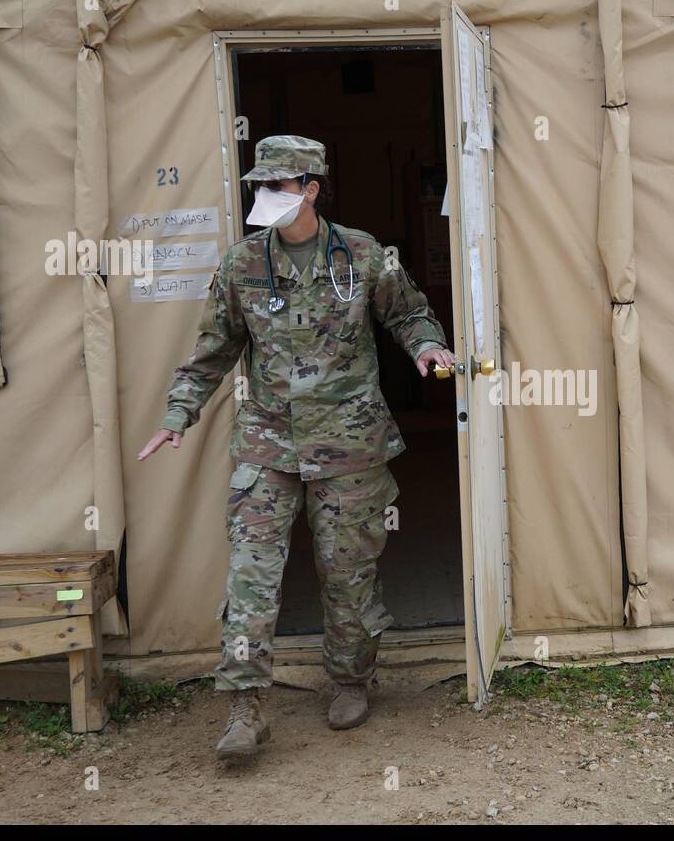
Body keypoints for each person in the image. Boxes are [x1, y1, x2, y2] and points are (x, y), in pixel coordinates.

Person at [137, 135, 455, 758]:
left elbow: (410, 314)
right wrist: (179, 413)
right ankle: (245, 708)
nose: (265, 197)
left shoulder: (364, 255)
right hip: (267, 444)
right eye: (260, 186)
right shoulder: (241, 265)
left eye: (278, 186)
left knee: (348, 574)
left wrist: (425, 347)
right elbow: (214, 348)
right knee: (251, 576)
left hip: (350, 442)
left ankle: (351, 680)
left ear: (311, 188)